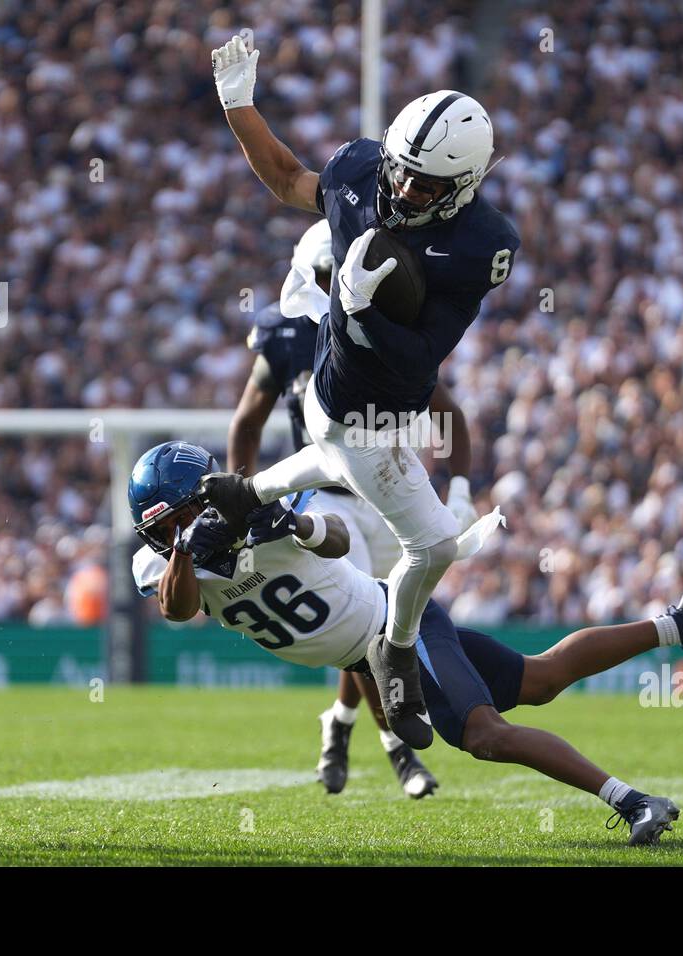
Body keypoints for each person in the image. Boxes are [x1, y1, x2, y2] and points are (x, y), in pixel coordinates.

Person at [127, 440, 683, 846]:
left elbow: (341, 539)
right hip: (370, 651)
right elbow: (178, 607)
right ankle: (680, 622)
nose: (184, 525)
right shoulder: (166, 566)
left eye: (186, 513)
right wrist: (189, 544)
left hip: (397, 629)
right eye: (170, 522)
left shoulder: (256, 513)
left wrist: (292, 522)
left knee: (482, 735)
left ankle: (634, 800)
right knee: (538, 680)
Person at [201, 35, 520, 749]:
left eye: (427, 186)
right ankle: (396, 647)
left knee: (332, 460)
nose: (406, 191)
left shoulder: (479, 244)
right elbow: (287, 177)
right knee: (435, 549)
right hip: (358, 418)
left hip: (374, 400)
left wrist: (360, 312)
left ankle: (247, 495)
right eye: (404, 174)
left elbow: (423, 359)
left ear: (465, 186)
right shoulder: (358, 170)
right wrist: (238, 104)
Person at [228, 219, 476, 797]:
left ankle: (337, 724)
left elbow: (451, 414)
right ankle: (397, 751)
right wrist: (244, 497)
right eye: (317, 275)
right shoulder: (288, 336)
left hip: (388, 493)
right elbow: (247, 420)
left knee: (385, 622)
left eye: (331, 273)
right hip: (324, 492)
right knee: (368, 621)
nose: (326, 283)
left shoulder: (384, 326)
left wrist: (460, 492)